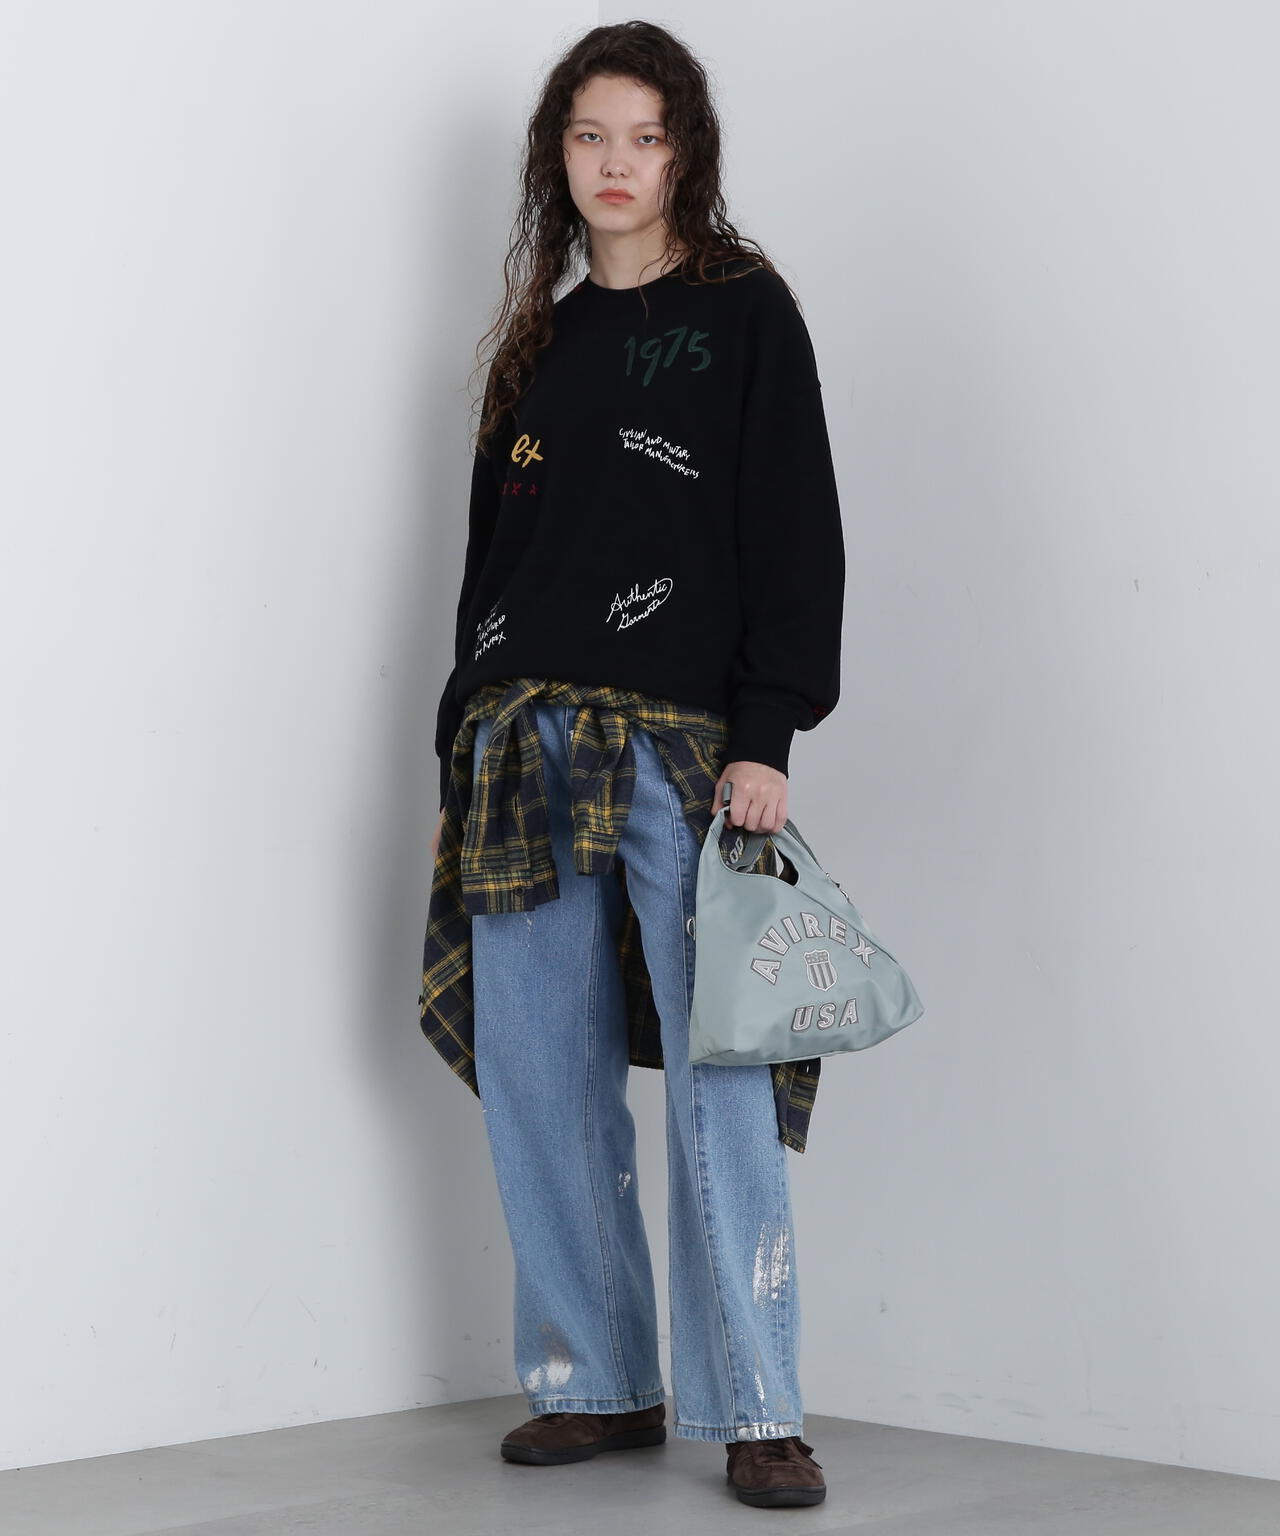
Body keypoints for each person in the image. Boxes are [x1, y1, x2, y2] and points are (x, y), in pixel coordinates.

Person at [419, 19, 843, 1511]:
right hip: (519, 744)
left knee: (720, 1068)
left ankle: (759, 1408)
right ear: (559, 154)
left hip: (679, 751)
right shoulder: (537, 342)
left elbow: (793, 527)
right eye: (590, 135)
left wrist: (765, 734)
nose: (615, 163)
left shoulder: (744, 312)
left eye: (644, 137)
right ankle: (594, 1381)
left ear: (685, 155)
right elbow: (491, 565)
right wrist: (459, 743)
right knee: (540, 1071)